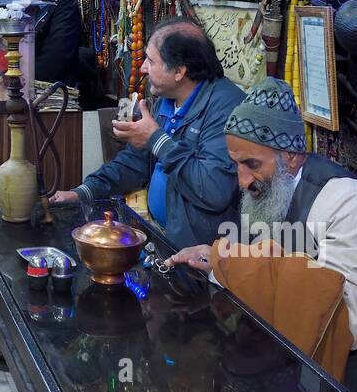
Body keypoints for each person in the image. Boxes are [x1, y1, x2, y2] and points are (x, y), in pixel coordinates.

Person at [168, 78, 357, 392]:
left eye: (252, 164)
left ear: (290, 156)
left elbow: (348, 321)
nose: (242, 181)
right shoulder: (266, 196)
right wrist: (214, 267)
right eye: (236, 165)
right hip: (295, 379)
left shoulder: (346, 201)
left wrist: (227, 262)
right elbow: (258, 267)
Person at [47, 19, 245, 249]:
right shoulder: (168, 99)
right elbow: (135, 162)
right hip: (160, 237)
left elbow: (213, 190)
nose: (143, 68)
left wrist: (157, 140)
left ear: (180, 71)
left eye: (151, 61)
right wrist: (82, 193)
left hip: (199, 255)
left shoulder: (228, 109)